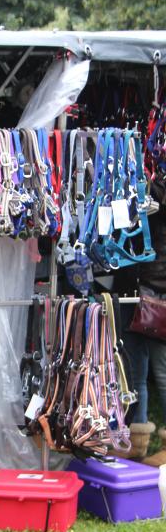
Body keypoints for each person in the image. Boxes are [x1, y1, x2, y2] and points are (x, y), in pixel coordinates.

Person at [118, 181, 166, 464]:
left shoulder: (153, 185)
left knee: (158, 370)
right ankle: (138, 441)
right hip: (135, 288)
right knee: (135, 368)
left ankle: (145, 443)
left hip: (153, 290)